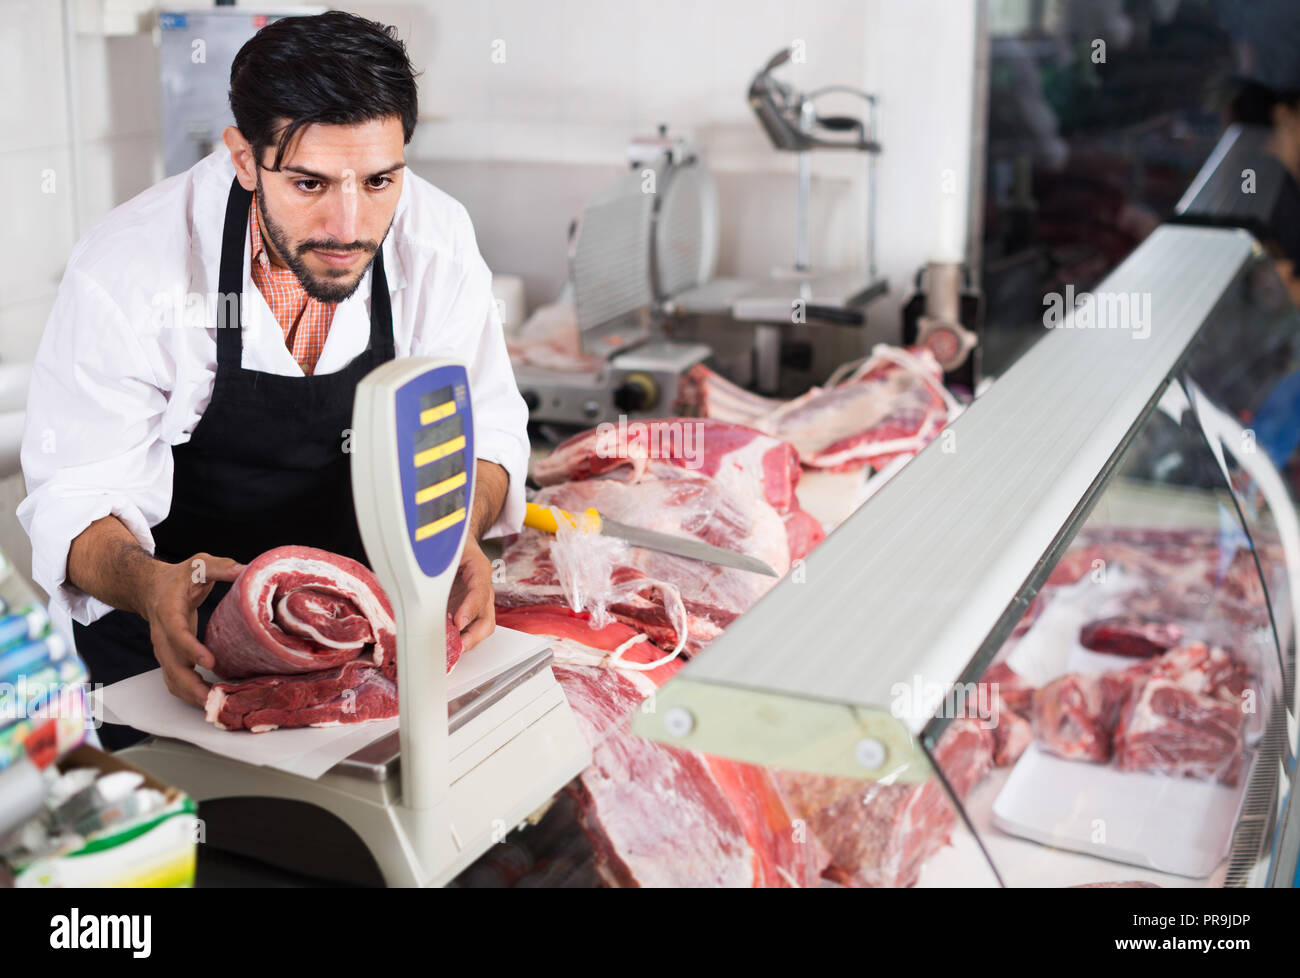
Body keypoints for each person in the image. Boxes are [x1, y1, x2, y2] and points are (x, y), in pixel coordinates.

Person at [17, 12, 528, 748]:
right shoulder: (132, 268)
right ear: (244, 159)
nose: (349, 225)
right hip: (175, 659)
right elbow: (75, 498)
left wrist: (459, 538)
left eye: (380, 180)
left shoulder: (434, 239)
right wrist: (151, 587)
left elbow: (483, 427)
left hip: (366, 640)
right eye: (310, 182)